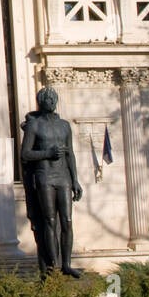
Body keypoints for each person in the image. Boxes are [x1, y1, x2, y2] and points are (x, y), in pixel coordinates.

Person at [20, 86, 84, 277]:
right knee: (49, 220)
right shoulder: (34, 125)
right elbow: (25, 154)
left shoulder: (64, 125)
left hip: (63, 176)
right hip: (44, 177)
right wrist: (47, 153)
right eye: (48, 99)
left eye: (53, 99)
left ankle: (66, 264)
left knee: (67, 221)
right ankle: (53, 265)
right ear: (41, 102)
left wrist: (75, 181)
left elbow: (70, 154)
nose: (51, 102)